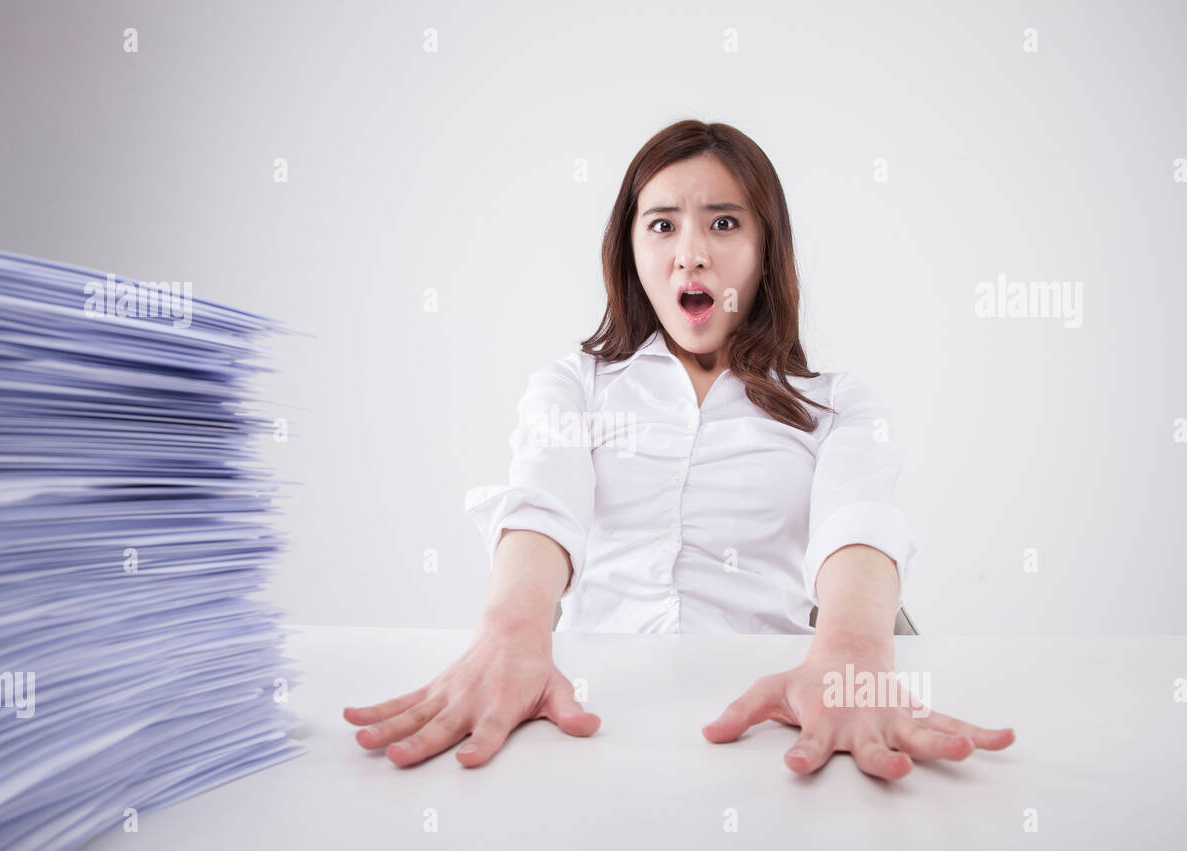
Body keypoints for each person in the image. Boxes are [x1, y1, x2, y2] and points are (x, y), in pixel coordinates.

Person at [345, 120, 1015, 780]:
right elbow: (544, 503)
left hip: (773, 724)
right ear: (631, 250)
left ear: (765, 250)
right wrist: (510, 633)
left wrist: (850, 657)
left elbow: (858, 525)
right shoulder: (573, 386)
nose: (690, 253)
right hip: (591, 723)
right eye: (662, 224)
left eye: (724, 223)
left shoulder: (835, 405)